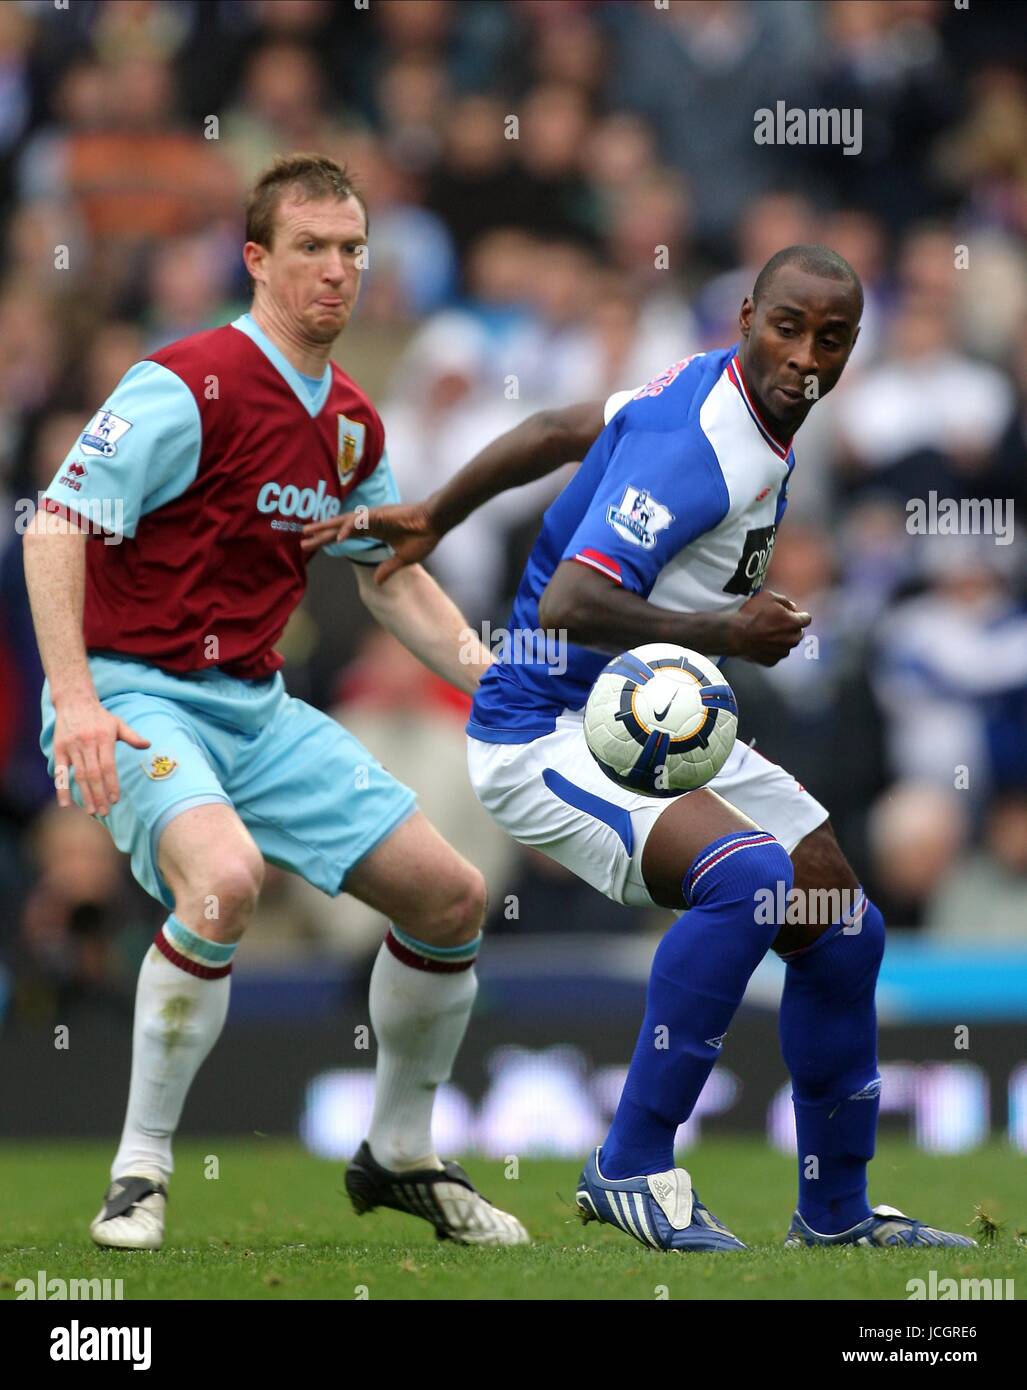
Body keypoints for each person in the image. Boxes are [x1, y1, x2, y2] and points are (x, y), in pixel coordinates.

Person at [305, 245, 975, 1252]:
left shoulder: (706, 388)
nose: (803, 356)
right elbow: (572, 604)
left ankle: (834, 1216)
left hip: (650, 721)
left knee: (842, 923)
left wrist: (435, 514)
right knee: (749, 879)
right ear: (746, 314)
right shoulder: (702, 443)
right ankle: (631, 1159)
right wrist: (728, 634)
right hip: (549, 731)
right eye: (785, 327)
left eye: (829, 339)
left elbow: (558, 427)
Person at [23, 153, 528, 1250]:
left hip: (256, 704)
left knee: (449, 898)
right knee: (226, 881)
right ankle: (140, 1172)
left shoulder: (351, 423)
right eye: (310, 248)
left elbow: (388, 575)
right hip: (137, 689)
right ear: (256, 260)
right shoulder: (185, 380)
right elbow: (54, 525)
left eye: (353, 250)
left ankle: (399, 1151)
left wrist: (502, 684)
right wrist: (75, 700)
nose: (336, 271)